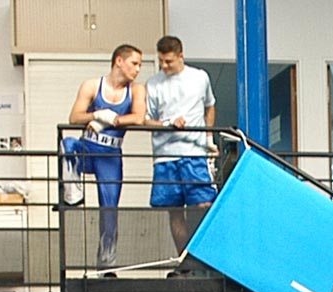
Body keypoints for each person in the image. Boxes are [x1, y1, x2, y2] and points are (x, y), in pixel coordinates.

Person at [61, 44, 147, 270]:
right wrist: (96, 113)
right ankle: (72, 192)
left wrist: (112, 120)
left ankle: (107, 265)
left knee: (109, 211)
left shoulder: (136, 90)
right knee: (67, 144)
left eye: (140, 65)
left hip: (110, 154)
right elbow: (74, 116)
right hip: (89, 148)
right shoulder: (92, 85)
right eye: (134, 63)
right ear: (119, 60)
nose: (138, 69)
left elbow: (138, 117)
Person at [143, 36, 217, 264]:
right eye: (161, 61)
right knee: (174, 210)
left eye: (169, 61)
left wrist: (208, 137)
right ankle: (185, 263)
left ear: (181, 56)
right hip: (165, 157)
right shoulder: (153, 83)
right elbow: (146, 120)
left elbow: (210, 106)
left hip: (194, 154)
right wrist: (168, 123)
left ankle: (208, 259)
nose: (164, 66)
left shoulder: (199, 77)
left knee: (204, 205)